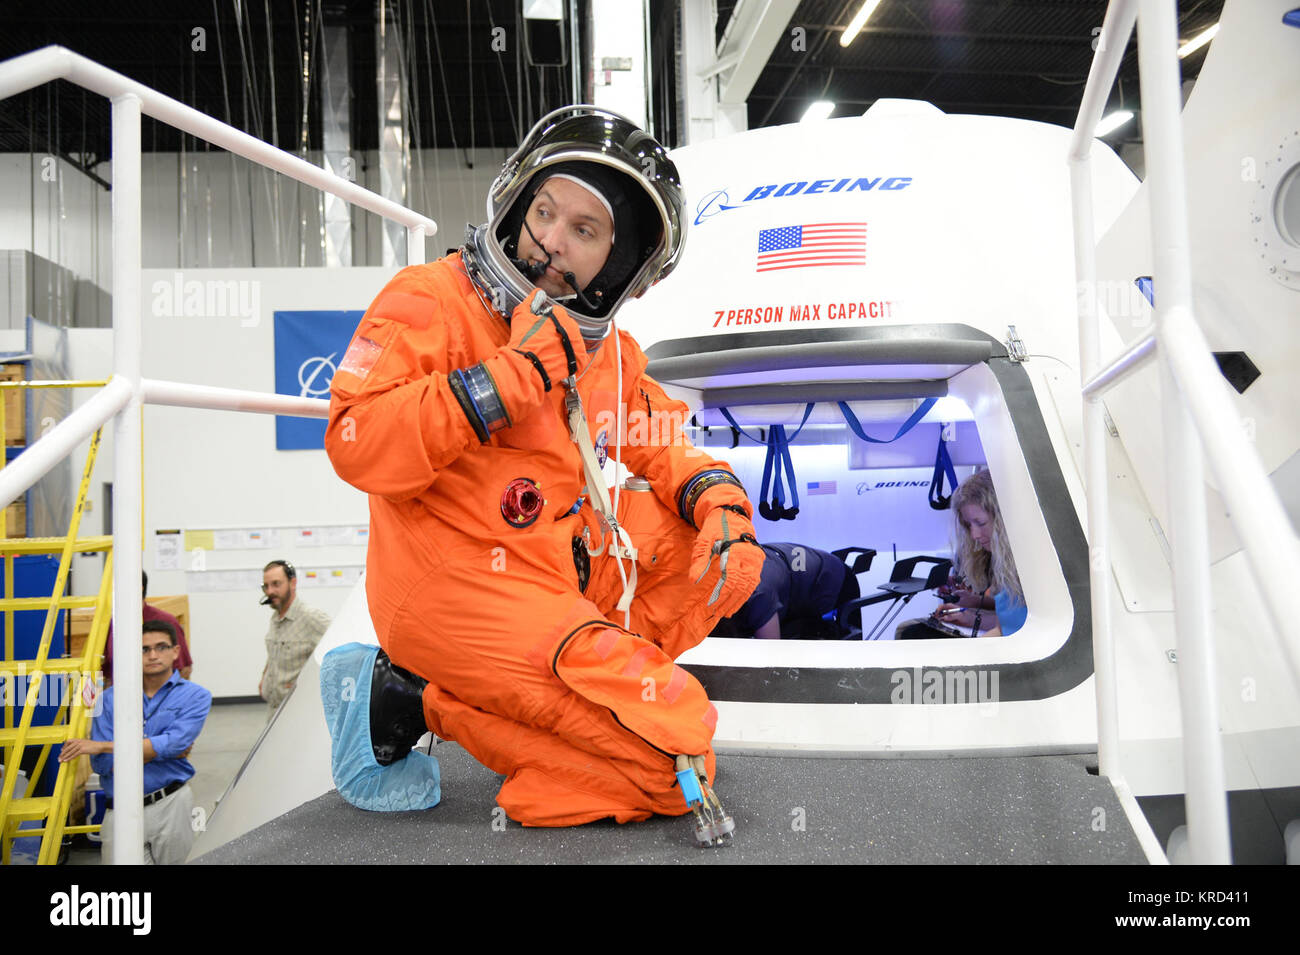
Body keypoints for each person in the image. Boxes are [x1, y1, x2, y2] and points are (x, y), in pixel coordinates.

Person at [322, 106, 763, 828]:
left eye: (584, 231)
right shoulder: (428, 300)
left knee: (704, 549)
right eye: (546, 211)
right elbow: (355, 440)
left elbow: (662, 440)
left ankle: (552, 701)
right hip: (454, 582)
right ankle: (415, 698)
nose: (550, 240)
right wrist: (503, 379)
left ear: (624, 271)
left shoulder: (605, 352)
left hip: (555, 570)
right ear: (518, 200)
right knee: (675, 760)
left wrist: (721, 503)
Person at [59, 620, 212, 864]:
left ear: (176, 651)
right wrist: (155, 748)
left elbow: (174, 745)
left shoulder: (196, 696)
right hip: (119, 809)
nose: (153, 655)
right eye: (144, 649)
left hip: (171, 803)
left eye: (161, 647)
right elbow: (102, 764)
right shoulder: (108, 700)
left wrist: (104, 745)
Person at [916, 469, 1027, 637]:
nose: (974, 535)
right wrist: (970, 612)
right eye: (969, 525)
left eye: (980, 523)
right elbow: (1002, 626)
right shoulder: (1005, 566)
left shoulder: (1032, 567)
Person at [711, 542, 860, 639]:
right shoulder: (710, 582)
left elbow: (771, 663)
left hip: (835, 580)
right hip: (790, 575)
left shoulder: (759, 596)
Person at [259, 559, 331, 715]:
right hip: (274, 709)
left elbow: (339, 652)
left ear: (293, 583)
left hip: (299, 712)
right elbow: (275, 652)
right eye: (266, 586)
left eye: (276, 584)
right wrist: (265, 677)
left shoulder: (311, 617)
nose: (270, 591)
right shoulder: (276, 617)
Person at [102, 571, 192, 684]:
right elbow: (107, 672)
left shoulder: (165, 621)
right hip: (122, 698)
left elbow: (184, 669)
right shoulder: (112, 624)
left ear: (139, 588)